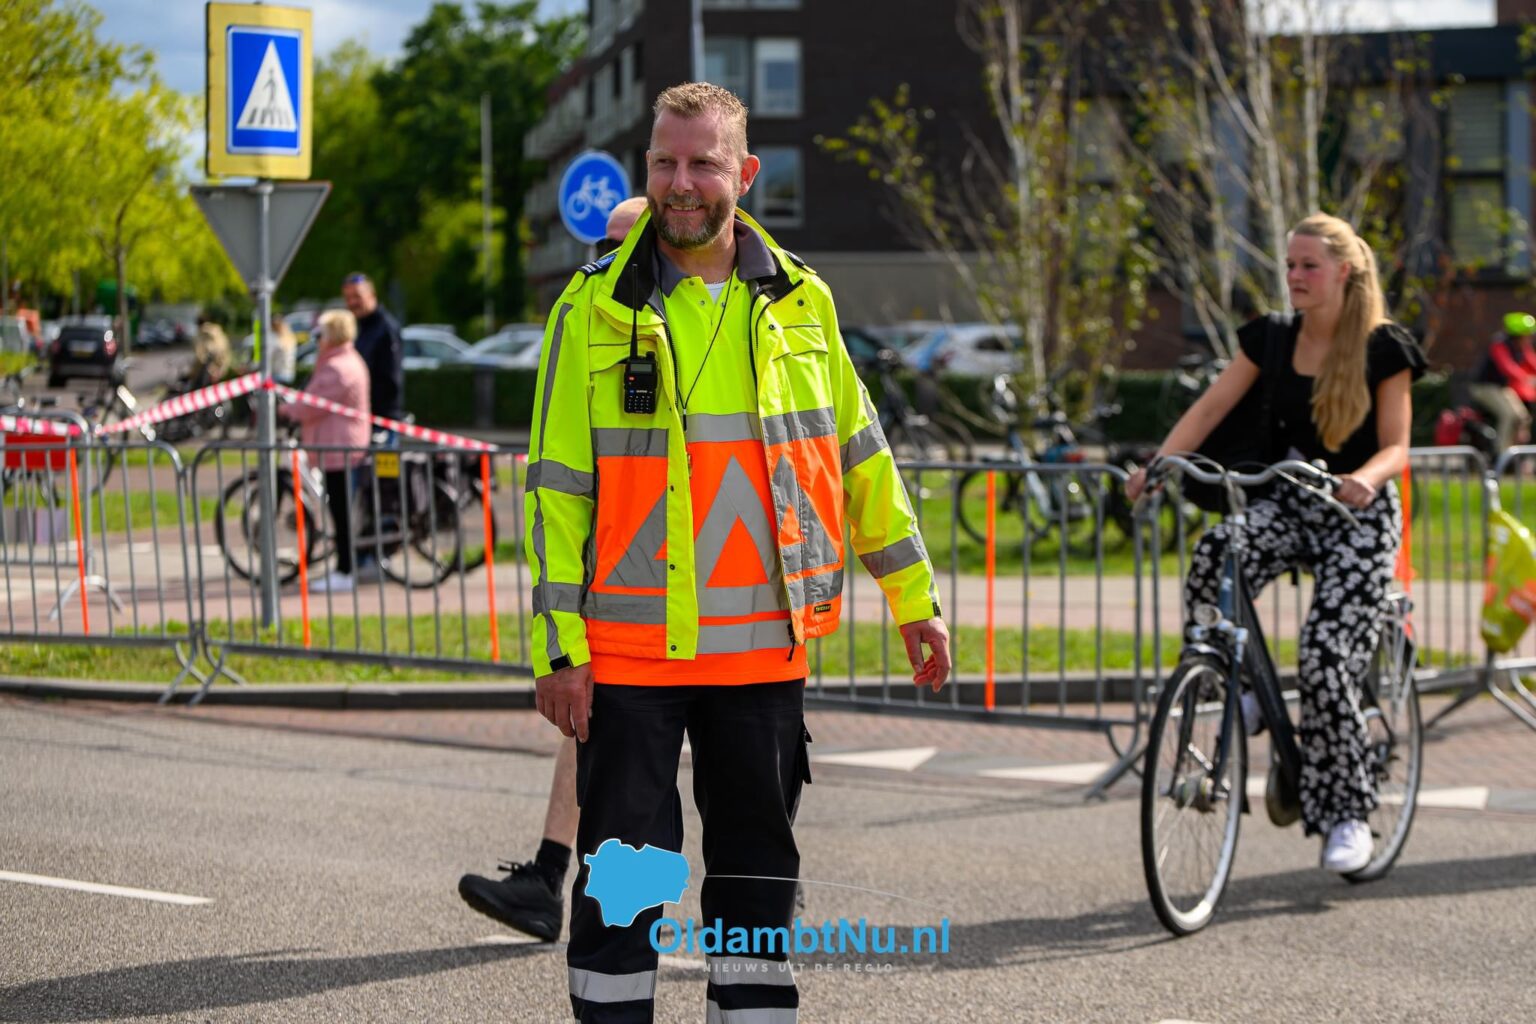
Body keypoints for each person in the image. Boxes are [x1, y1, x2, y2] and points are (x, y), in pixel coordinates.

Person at [526, 83, 950, 1023]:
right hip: (632, 663)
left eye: (703, 163)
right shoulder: (588, 310)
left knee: (756, 896)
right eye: (665, 162)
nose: (682, 183)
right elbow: (556, 495)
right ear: (647, 169)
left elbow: (859, 458)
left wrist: (913, 597)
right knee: (624, 897)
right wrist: (562, 649)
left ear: (744, 173)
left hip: (764, 655)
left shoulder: (803, 303)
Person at [1127, 212, 1426, 875]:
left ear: (1342, 273)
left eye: (1308, 266)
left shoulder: (1384, 348)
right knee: (1215, 553)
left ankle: (1347, 813)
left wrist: (1365, 480)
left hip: (1359, 516)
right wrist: (1160, 466)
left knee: (1325, 658)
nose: (1294, 276)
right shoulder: (1271, 338)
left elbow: (1397, 446)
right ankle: (1240, 685)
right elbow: (1209, 408)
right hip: (1289, 500)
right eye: (1289, 265)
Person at [457, 195, 650, 943]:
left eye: (617, 246)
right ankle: (552, 880)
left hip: (698, 608)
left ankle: (757, 897)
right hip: (619, 593)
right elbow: (566, 480)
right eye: (597, 246)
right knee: (596, 736)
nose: (599, 262)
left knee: (701, 760)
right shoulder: (591, 330)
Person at [278, 309, 371, 593]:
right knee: (339, 507)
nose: (317, 339)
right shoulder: (341, 361)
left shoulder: (338, 366)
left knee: (340, 510)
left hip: (338, 445)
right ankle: (343, 566)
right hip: (338, 443)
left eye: (321, 334)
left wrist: (284, 409)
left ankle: (345, 570)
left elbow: (314, 402)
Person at [341, 273, 404, 424]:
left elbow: (390, 381)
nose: (352, 302)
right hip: (362, 418)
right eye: (348, 297)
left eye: (357, 296)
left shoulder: (386, 329)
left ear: (372, 295)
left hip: (381, 421)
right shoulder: (359, 328)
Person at [1469, 311, 1536, 451]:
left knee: (1523, 416)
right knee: (1509, 415)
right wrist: (1527, 379)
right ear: (1518, 334)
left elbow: (1532, 361)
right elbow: (1507, 367)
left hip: (1501, 388)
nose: (1530, 337)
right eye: (1528, 334)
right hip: (1484, 387)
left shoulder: (1522, 346)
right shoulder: (1499, 344)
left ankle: (1516, 452)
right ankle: (1501, 454)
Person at [190, 316, 232, 388]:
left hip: (208, 369)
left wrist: (192, 373)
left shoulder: (201, 334)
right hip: (222, 366)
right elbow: (226, 350)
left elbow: (200, 357)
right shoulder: (218, 330)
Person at [270, 310, 298, 385]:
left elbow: (269, 357)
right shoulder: (290, 337)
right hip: (289, 374)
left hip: (278, 374)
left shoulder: (275, 339)